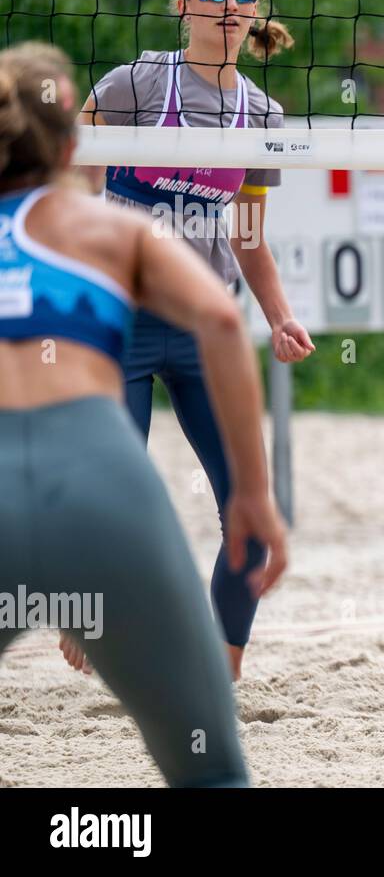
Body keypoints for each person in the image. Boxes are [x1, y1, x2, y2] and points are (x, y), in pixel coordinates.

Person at [0, 41, 287, 785]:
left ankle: (115, 625)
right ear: (75, 144)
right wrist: (257, 495)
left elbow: (247, 250)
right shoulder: (112, 233)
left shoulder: (252, 113)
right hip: (95, 482)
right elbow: (225, 326)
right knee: (211, 770)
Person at [76, 0, 314, 679]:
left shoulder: (261, 115)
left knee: (250, 500)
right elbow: (65, 165)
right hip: (121, 319)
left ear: (255, 13)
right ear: (183, 5)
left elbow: (247, 238)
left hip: (206, 324)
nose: (228, 5)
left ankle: (223, 660)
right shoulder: (138, 84)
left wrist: (279, 316)